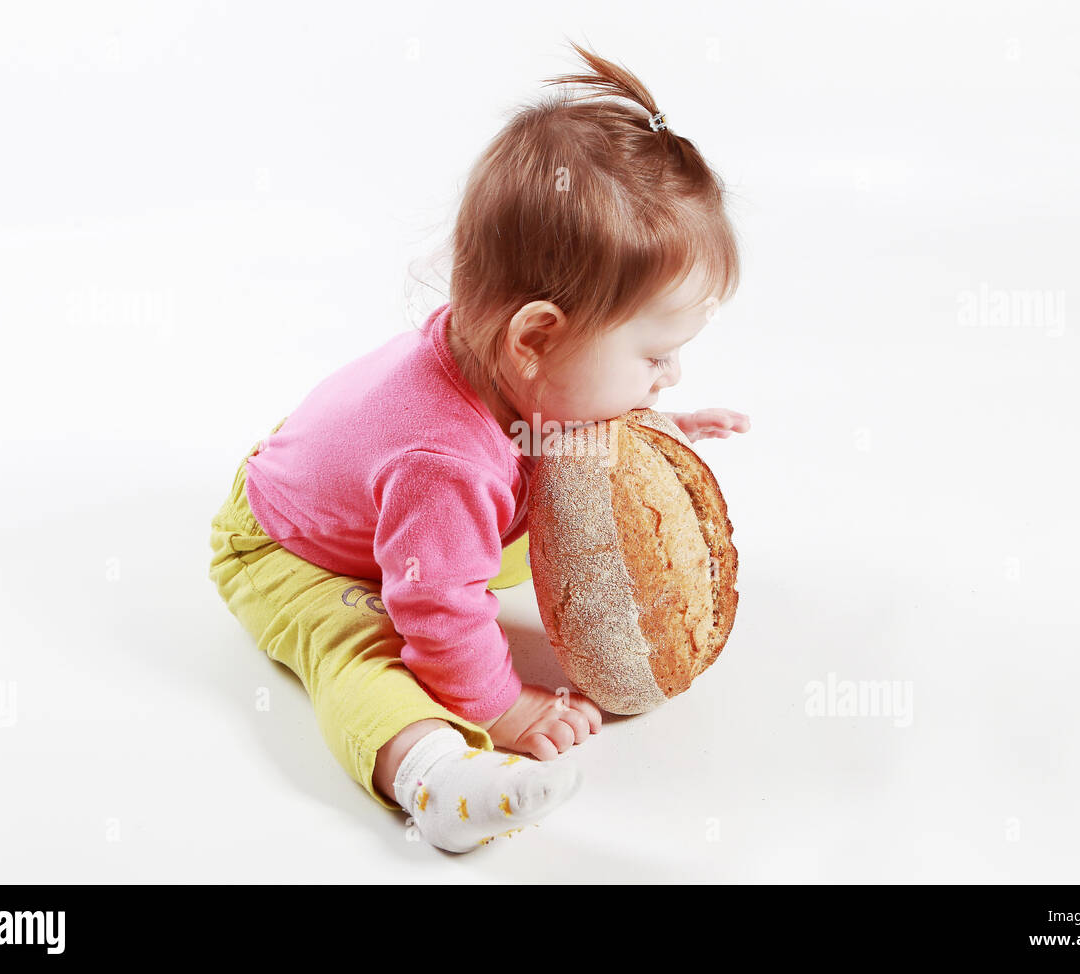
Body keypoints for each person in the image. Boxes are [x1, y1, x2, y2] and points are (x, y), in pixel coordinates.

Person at [207, 39, 749, 854]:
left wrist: (663, 435)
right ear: (536, 336)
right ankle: (432, 778)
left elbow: (554, 436)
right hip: (294, 547)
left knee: (511, 522)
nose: (670, 374)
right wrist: (505, 707)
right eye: (651, 357)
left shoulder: (517, 373)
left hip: (388, 502)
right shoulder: (445, 465)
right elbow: (435, 611)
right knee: (368, 647)